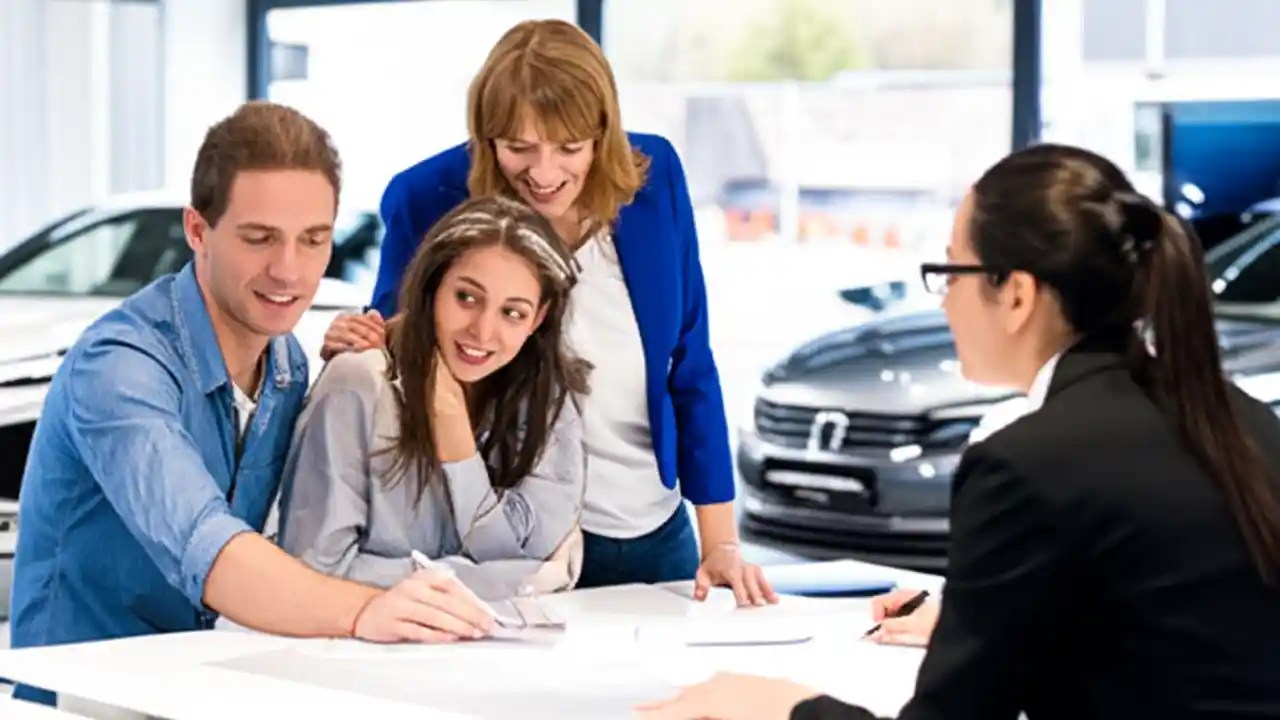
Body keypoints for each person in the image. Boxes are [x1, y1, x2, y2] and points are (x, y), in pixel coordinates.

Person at [635, 143, 1280, 719]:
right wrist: (983, 620)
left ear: (1017, 295)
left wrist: (783, 708)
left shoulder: (1026, 462)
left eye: (951, 273)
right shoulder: (1239, 422)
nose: (941, 300)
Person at [9, 102, 495, 707]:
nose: (288, 270)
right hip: (82, 698)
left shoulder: (288, 364)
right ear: (197, 231)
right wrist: (369, 609)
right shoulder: (120, 364)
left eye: (313, 240)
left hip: (195, 687)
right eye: (259, 238)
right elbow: (212, 550)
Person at [323, 19, 777, 606]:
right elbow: (401, 357)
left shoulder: (654, 180)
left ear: (603, 135)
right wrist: (358, 338)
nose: (543, 172)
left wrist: (721, 544)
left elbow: (690, 365)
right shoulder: (430, 197)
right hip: (516, 543)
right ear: (486, 138)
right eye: (518, 147)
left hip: (655, 529)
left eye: (569, 148)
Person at [277, 196, 590, 603]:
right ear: (433, 287)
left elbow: (526, 551)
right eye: (466, 297)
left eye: (512, 313)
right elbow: (318, 571)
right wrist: (499, 580)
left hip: (497, 654)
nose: (482, 331)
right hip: (368, 653)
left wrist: (454, 432)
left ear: (538, 318)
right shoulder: (359, 383)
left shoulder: (547, 396)